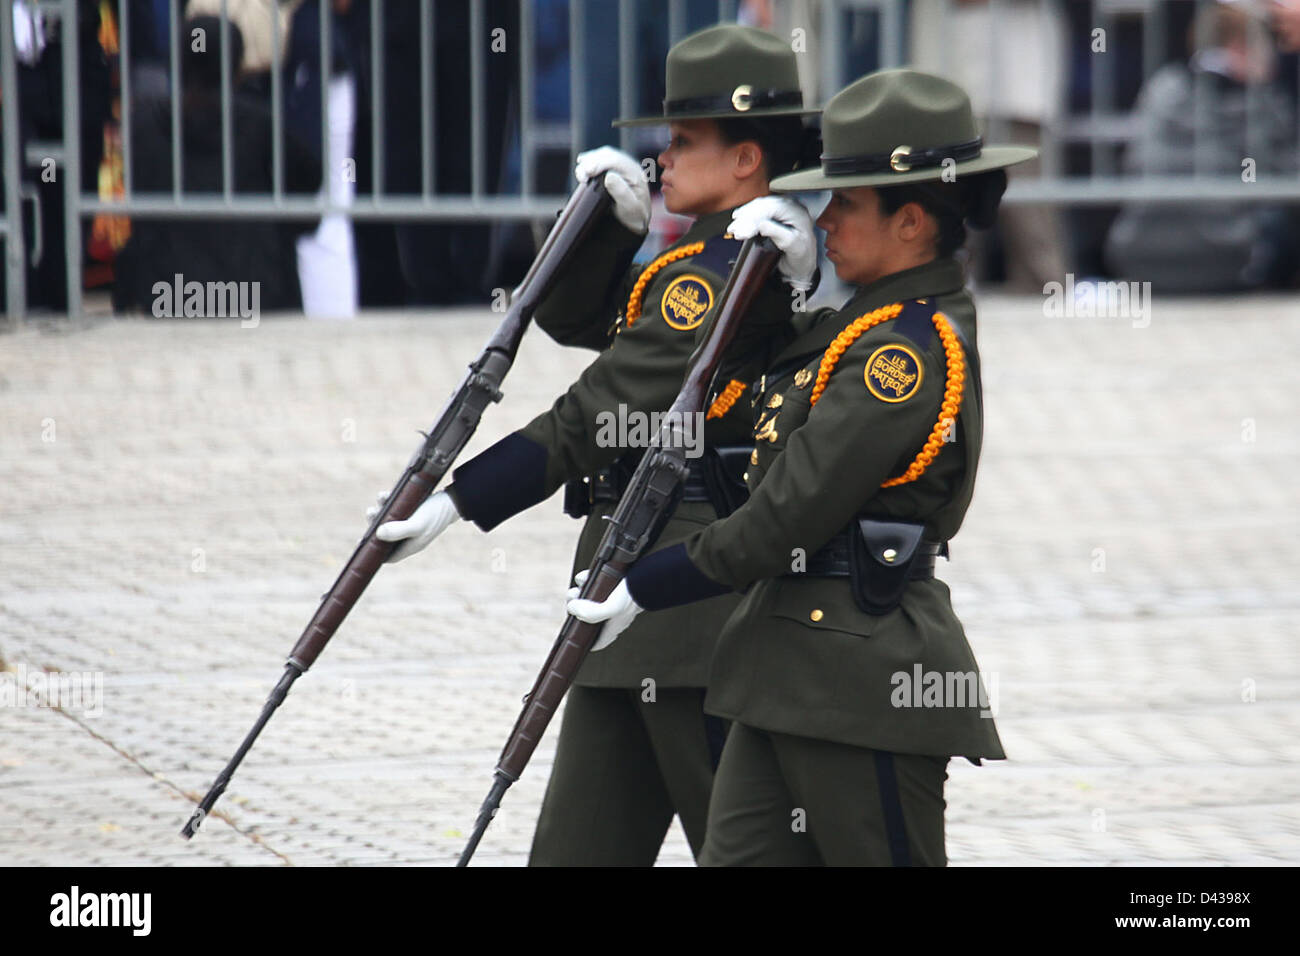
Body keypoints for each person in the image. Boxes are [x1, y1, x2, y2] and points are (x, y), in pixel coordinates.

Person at [371, 24, 820, 865]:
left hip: (687, 613)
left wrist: (461, 497)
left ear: (747, 160)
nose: (664, 158)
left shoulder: (727, 267)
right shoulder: (711, 254)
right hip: (621, 601)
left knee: (748, 855)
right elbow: (597, 327)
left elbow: (601, 406)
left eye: (685, 142)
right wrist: (608, 232)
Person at [568, 69, 1033, 866]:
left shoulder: (903, 351)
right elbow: (731, 388)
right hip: (780, 668)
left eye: (845, 204)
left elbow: (788, 511)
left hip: (864, 676)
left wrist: (643, 586)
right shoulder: (858, 321)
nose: (825, 220)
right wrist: (787, 284)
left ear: (912, 221)